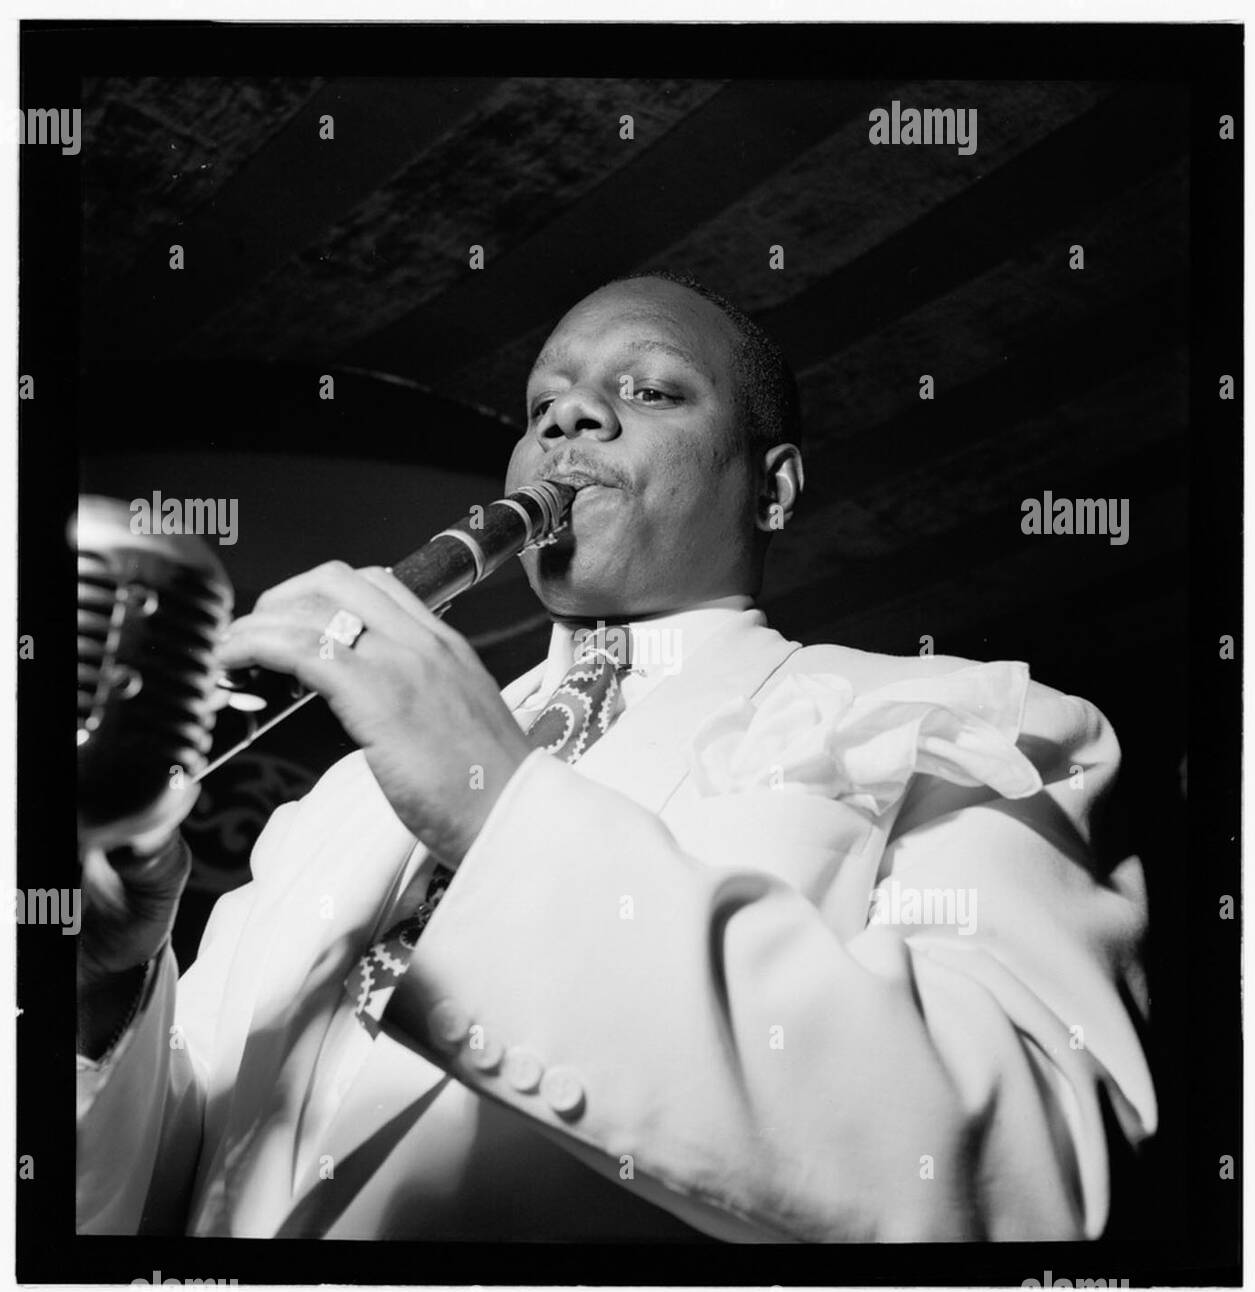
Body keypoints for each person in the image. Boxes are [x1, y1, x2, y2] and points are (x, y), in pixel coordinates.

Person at [76, 271, 1156, 1242]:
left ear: (773, 487)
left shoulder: (972, 717)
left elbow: (1035, 1179)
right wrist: (110, 986)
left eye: (648, 390)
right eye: (540, 406)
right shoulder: (344, 793)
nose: (568, 419)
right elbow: (159, 1192)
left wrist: (497, 809)